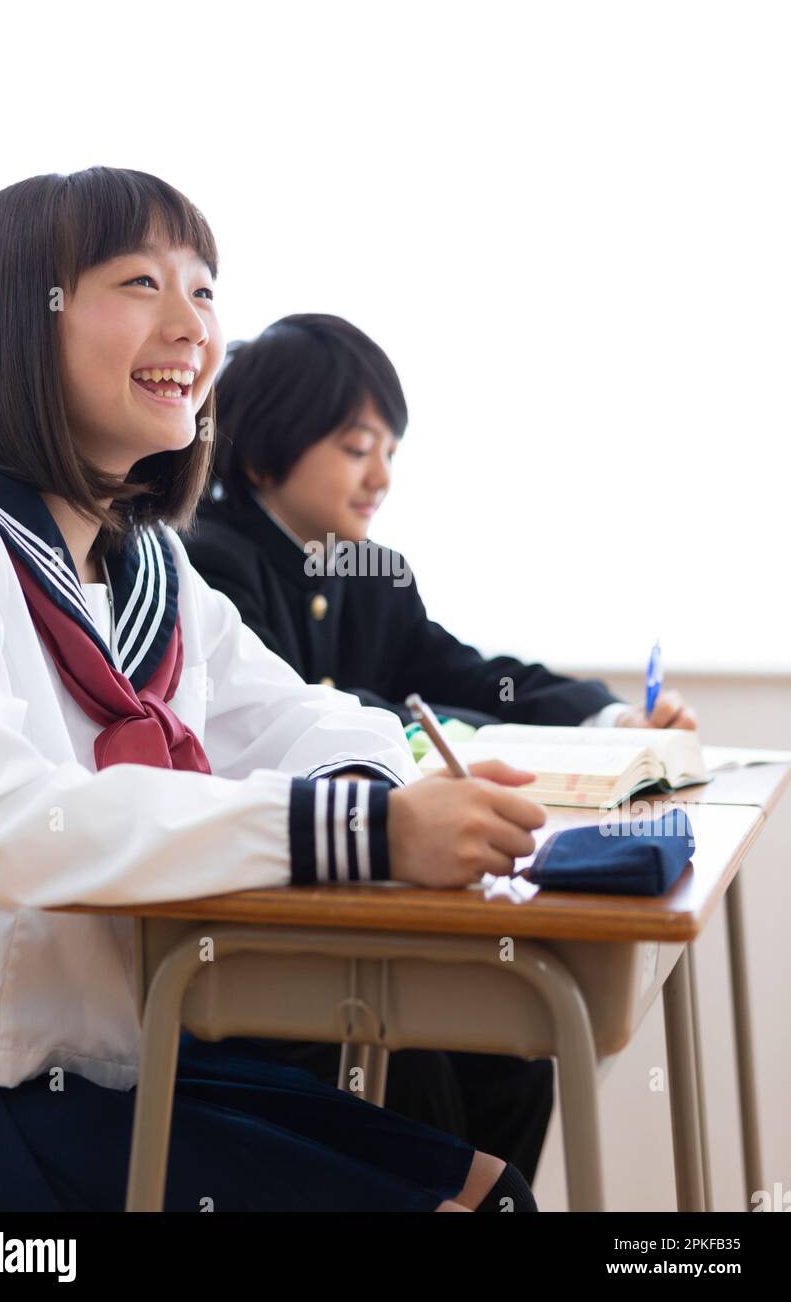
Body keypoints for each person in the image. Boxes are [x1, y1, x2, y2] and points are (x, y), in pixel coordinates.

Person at [0, 168, 548, 1213]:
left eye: (204, 290)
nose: (190, 325)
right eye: (138, 284)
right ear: (16, 325)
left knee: (493, 1188)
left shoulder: (149, 563)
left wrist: (381, 802)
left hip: (118, 1058)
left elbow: (313, 716)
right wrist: (365, 832)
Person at [181, 312, 698, 1179]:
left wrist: (610, 722)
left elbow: (465, 674)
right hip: (271, 934)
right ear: (266, 452)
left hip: (378, 910)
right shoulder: (210, 560)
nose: (382, 475)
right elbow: (321, 710)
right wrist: (452, 735)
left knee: (516, 1056)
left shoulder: (367, 569)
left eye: (390, 449)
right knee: (418, 1063)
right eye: (355, 447)